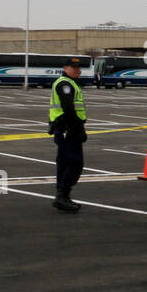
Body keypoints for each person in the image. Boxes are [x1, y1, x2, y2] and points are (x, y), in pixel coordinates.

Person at [48, 58, 88, 212]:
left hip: (65, 128)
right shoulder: (65, 84)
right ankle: (62, 195)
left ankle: (63, 196)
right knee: (75, 163)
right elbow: (68, 108)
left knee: (64, 164)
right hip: (68, 129)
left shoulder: (69, 83)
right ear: (65, 68)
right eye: (74, 67)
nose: (78, 70)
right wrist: (79, 129)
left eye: (78, 67)